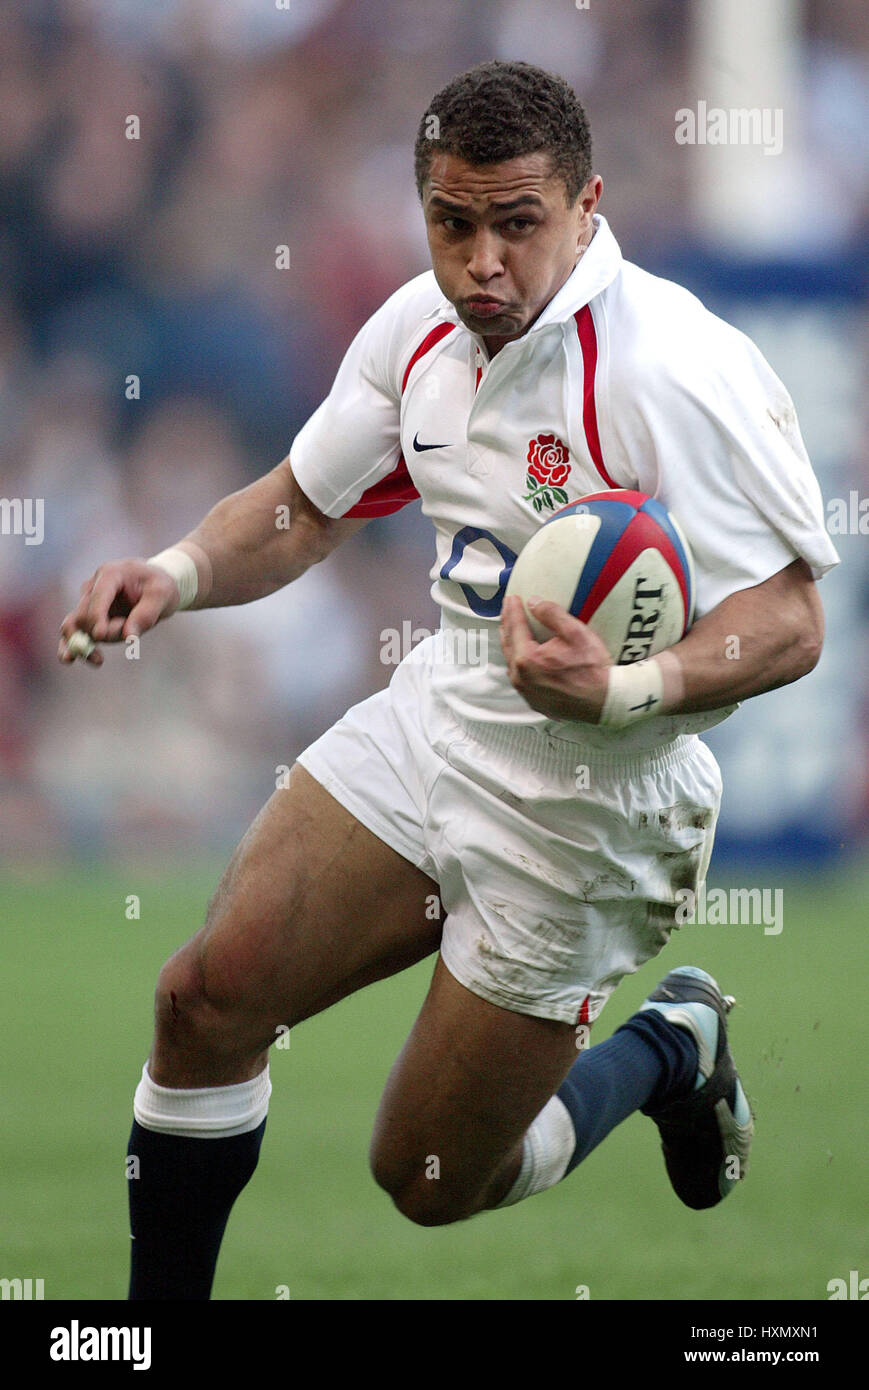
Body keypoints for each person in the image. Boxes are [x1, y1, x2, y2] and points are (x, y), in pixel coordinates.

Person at [60, 61, 839, 1301]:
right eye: (452, 220)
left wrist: (631, 686)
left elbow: (790, 619)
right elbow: (303, 507)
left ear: (585, 207)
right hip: (445, 707)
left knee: (426, 1177)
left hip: (595, 794)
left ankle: (665, 1049)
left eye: (516, 223)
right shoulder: (419, 325)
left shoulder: (674, 366)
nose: (480, 260)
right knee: (203, 1000)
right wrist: (176, 569)